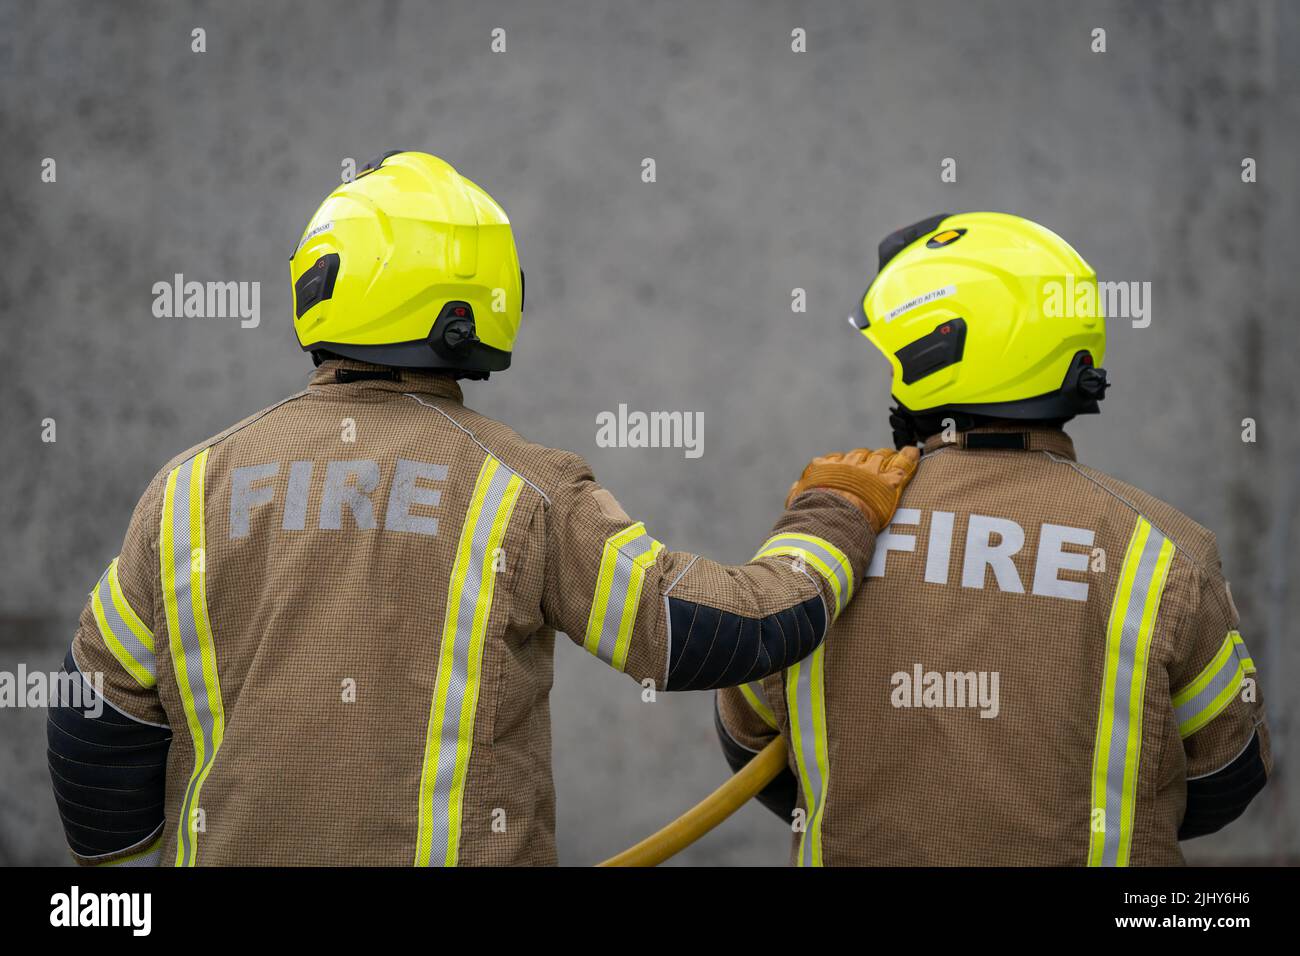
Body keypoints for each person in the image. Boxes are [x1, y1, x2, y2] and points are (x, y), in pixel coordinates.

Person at [45, 150, 918, 867]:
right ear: (479, 303)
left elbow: (98, 731)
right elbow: (699, 631)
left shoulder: (188, 490)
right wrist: (833, 517)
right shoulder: (520, 489)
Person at [716, 212, 1270, 866]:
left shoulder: (832, 531)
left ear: (936, 350)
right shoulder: (1165, 551)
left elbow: (751, 745)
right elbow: (1225, 776)